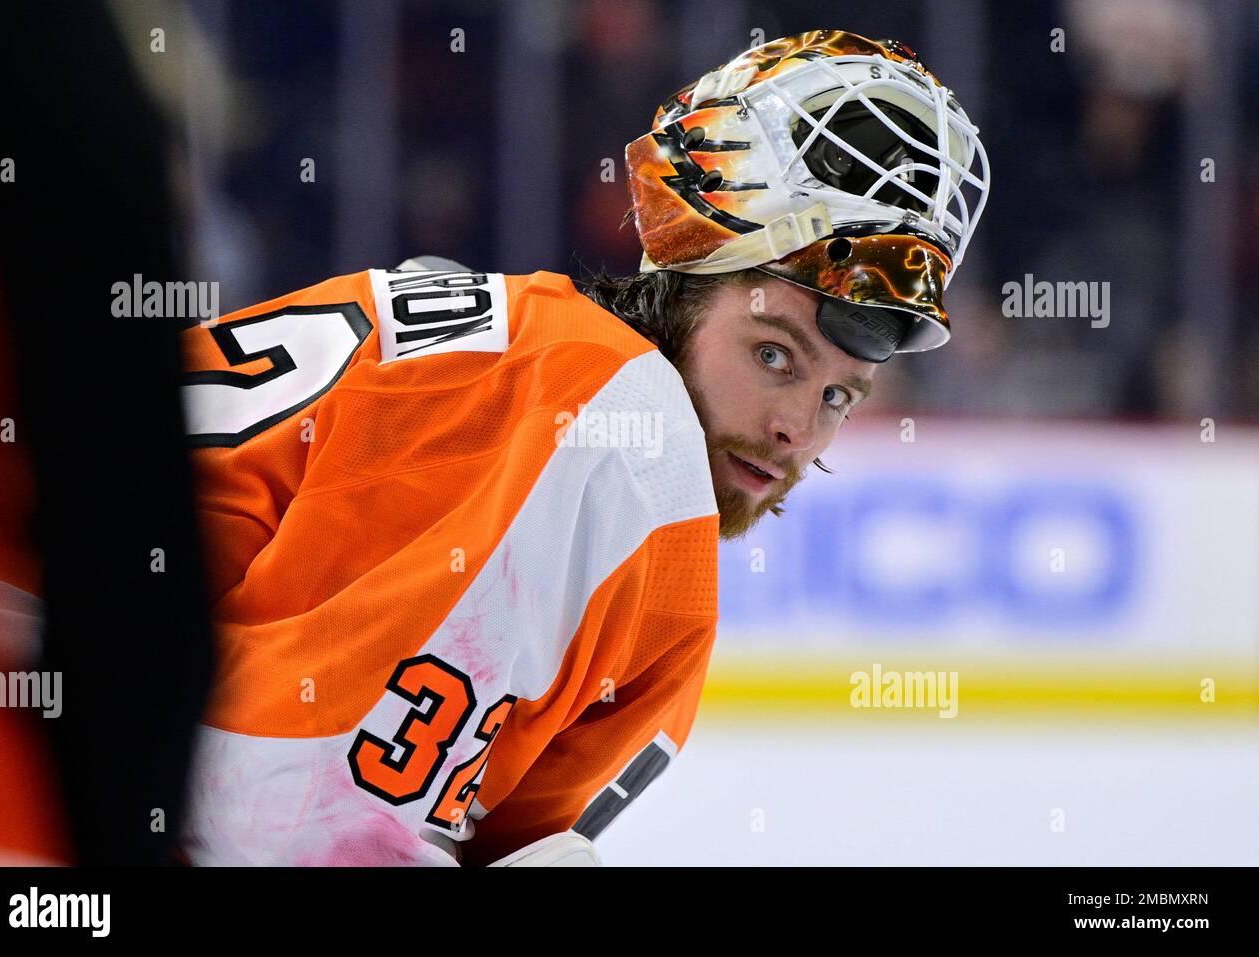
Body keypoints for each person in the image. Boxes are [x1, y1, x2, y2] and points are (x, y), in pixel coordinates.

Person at [178, 28, 988, 866]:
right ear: (681, 281)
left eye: (838, 396)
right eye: (772, 354)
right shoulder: (613, 420)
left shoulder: (595, 441)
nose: (797, 428)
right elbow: (273, 817)